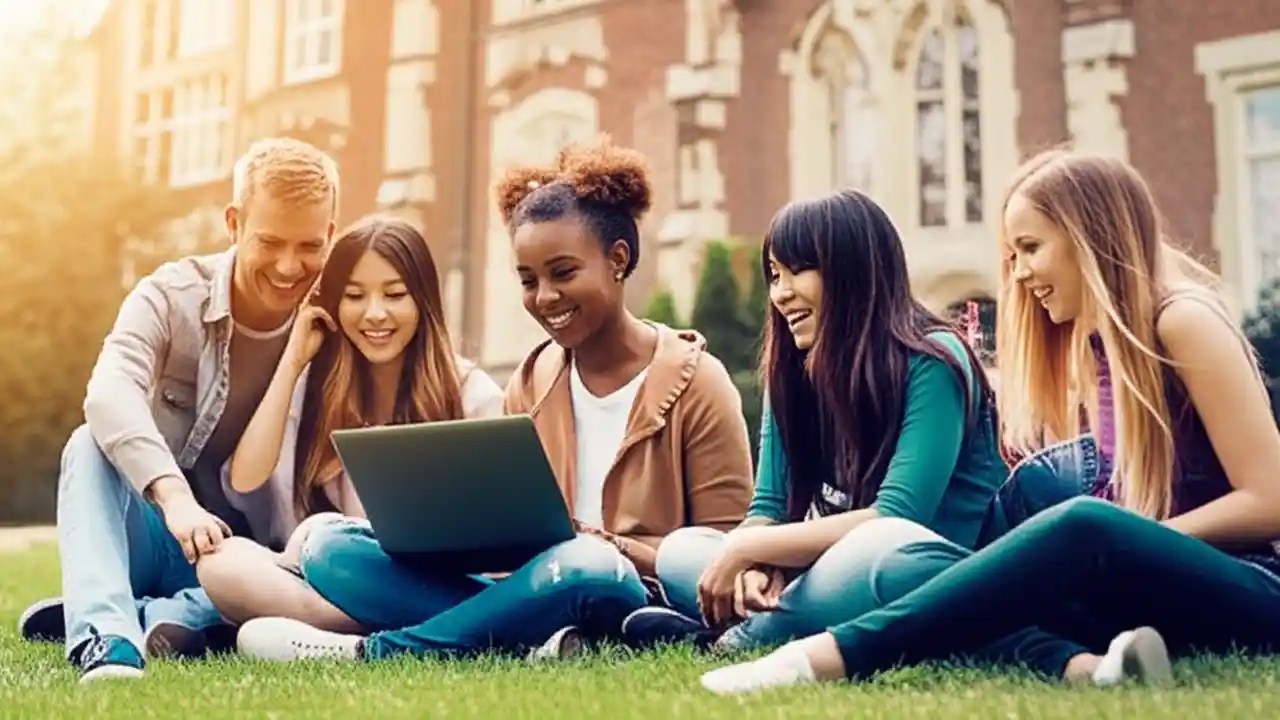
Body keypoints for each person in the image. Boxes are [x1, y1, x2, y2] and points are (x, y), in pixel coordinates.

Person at [698, 151, 1280, 695]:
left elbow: (1270, 500)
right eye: (1012, 255)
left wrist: (1133, 545)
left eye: (1031, 248)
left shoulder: (1183, 319)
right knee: (1007, 562)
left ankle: (815, 659)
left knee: (1080, 525)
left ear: (1090, 239)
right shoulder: (1099, 344)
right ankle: (1091, 666)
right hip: (1162, 587)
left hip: (1252, 584)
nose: (1021, 274)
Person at [232, 137, 755, 664]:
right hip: (534, 588)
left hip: (628, 592)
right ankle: (534, 646)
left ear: (618, 260)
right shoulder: (532, 379)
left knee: (585, 563)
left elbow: (718, 562)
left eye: (563, 273)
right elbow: (513, 535)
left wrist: (607, 544)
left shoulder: (697, 383)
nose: (545, 297)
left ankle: (375, 652)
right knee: (327, 548)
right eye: (529, 280)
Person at [620, 189, 1007, 653]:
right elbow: (767, 509)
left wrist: (748, 552)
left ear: (852, 269)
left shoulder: (933, 363)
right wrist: (755, 562)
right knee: (683, 551)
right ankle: (775, 619)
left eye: (798, 270)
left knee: (878, 553)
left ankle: (738, 636)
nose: (781, 294)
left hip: (924, 571)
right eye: (773, 275)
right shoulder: (793, 374)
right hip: (830, 568)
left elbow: (897, 517)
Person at [16, 138, 340, 683]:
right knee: (87, 442)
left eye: (308, 245)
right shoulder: (170, 296)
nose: (290, 266)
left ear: (331, 233)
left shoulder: (340, 313)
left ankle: (159, 612)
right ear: (234, 223)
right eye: (270, 241)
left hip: (263, 561)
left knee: (254, 584)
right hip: (164, 531)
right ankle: (108, 637)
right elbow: (108, 392)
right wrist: (175, 499)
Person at [192, 216, 505, 631]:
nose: (375, 314)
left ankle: (356, 638)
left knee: (331, 545)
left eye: (395, 295)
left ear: (423, 301)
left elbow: (500, 544)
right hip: (325, 585)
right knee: (222, 565)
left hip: (435, 586)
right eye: (355, 296)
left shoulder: (470, 393)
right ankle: (408, 634)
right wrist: (293, 359)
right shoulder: (312, 389)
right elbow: (245, 481)